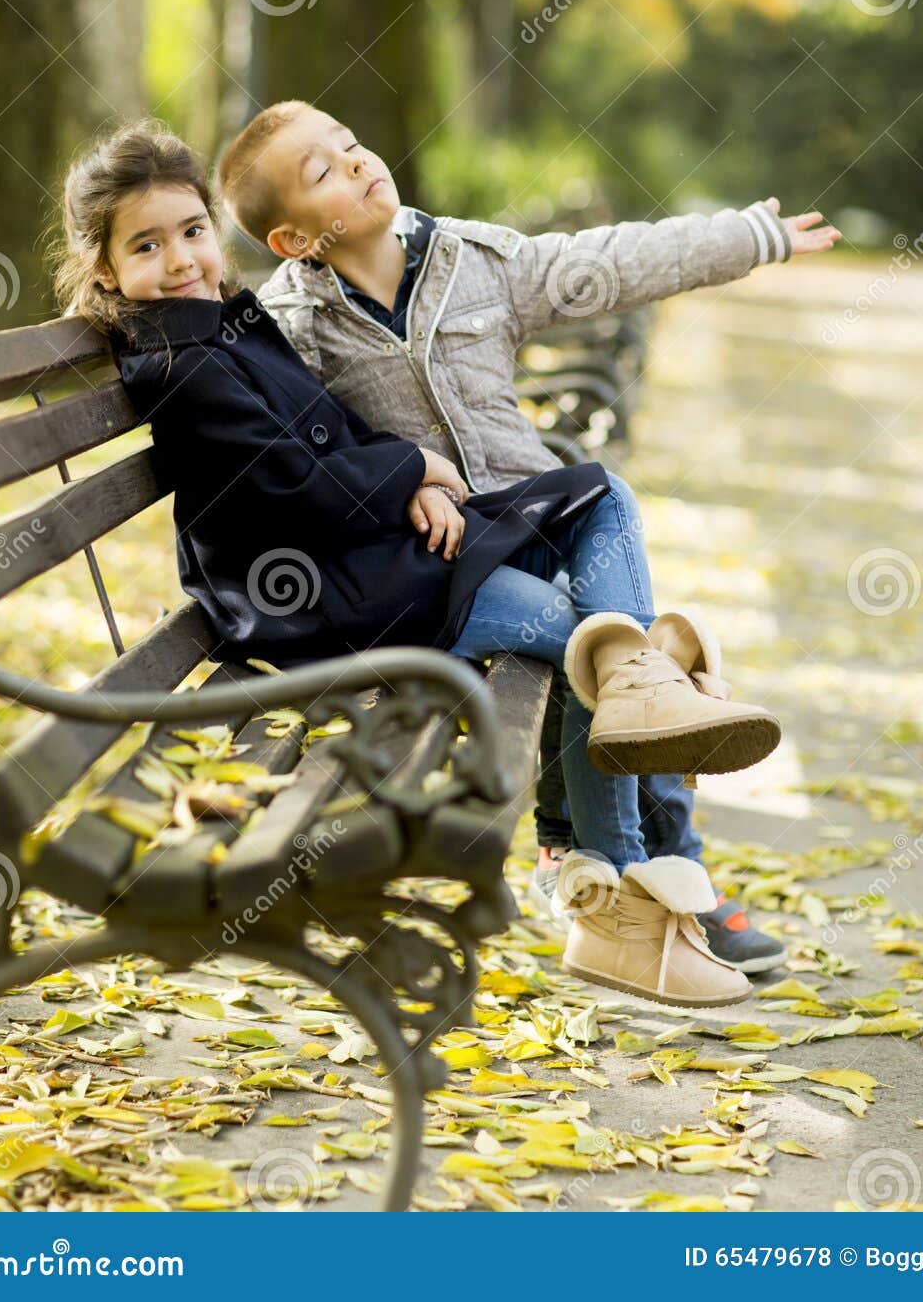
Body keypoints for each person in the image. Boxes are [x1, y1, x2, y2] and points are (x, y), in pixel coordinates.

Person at [52, 122, 785, 1008]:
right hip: (321, 595)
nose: (179, 260)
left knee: (600, 503)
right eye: (146, 245)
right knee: (593, 643)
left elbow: (334, 431)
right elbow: (285, 478)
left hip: (374, 552)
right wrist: (411, 473)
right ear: (104, 270)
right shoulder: (182, 358)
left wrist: (410, 483)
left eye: (190, 232)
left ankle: (618, 856)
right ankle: (625, 889)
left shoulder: (225, 325)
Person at [218, 100, 838, 972]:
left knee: (611, 543)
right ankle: (645, 874)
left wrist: (747, 238)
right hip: (434, 564)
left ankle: (599, 852)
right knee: (617, 653)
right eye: (323, 171)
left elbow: (609, 261)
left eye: (352, 143)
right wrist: (404, 484)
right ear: (293, 239)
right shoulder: (293, 326)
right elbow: (302, 450)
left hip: (524, 521)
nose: (356, 163)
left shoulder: (473, 259)